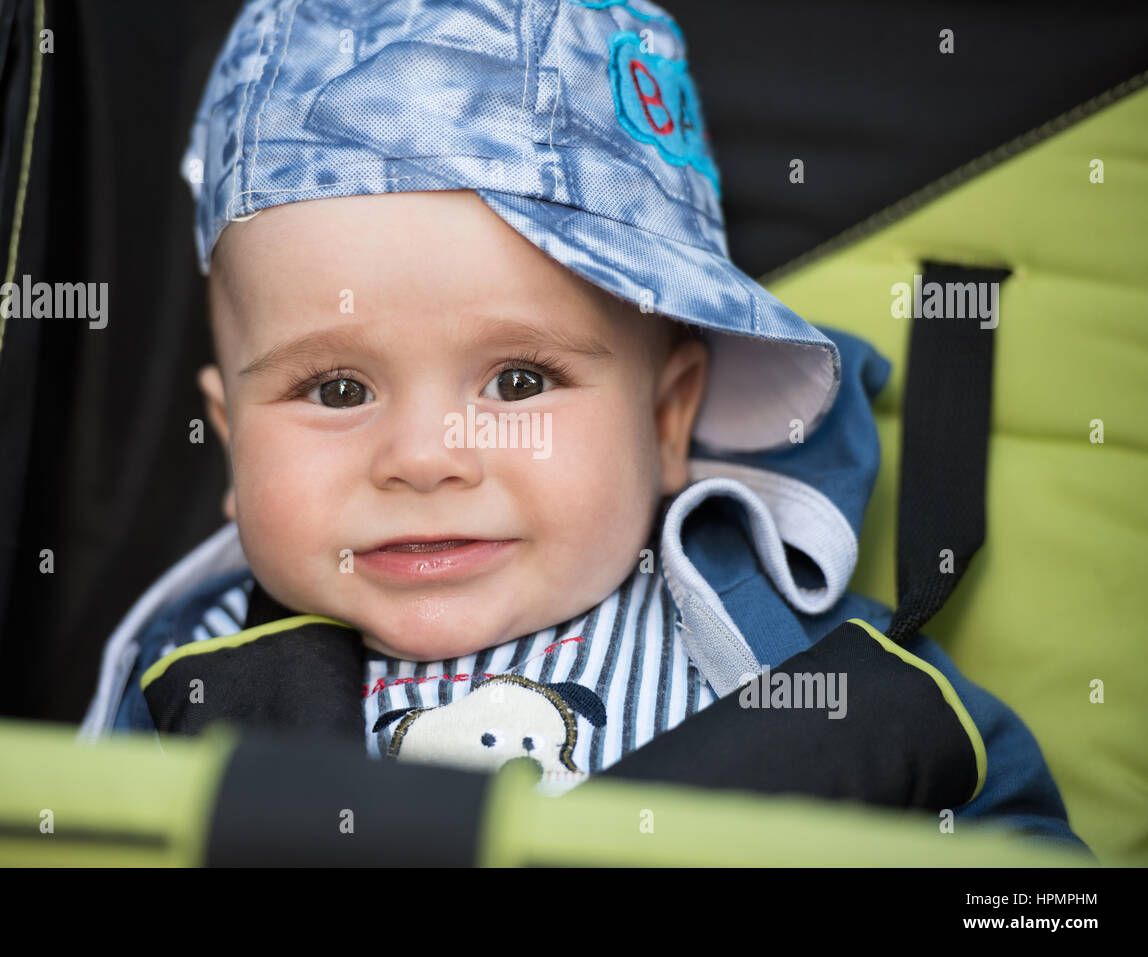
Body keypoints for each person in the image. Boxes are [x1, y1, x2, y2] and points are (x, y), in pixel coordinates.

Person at [86, 0, 1087, 852]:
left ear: (666, 417)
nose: (425, 458)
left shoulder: (805, 671)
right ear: (230, 436)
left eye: (518, 380)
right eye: (337, 391)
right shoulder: (187, 683)